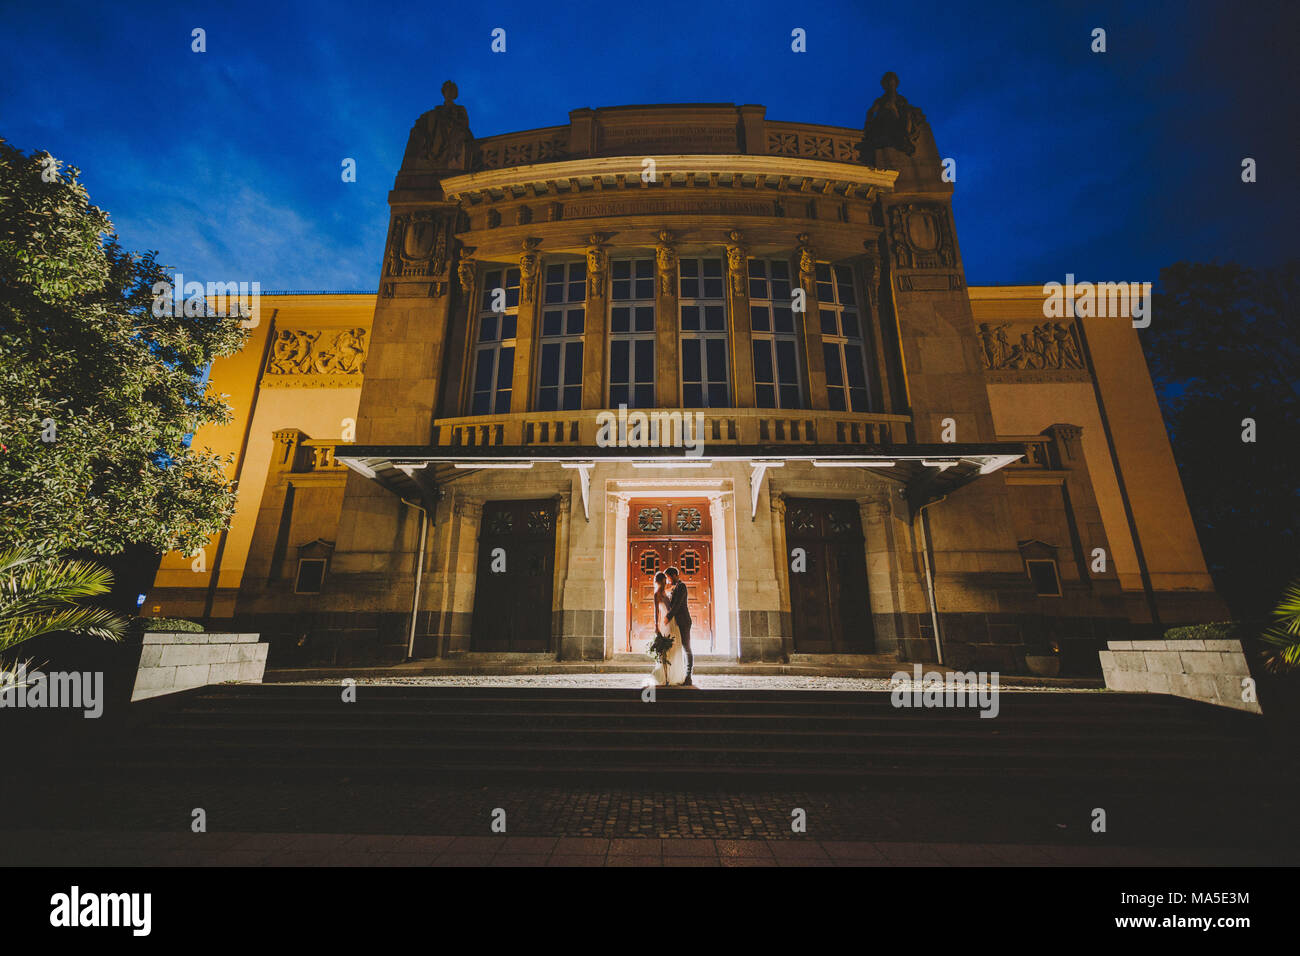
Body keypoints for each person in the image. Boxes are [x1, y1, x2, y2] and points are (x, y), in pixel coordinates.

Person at [651, 572, 687, 686]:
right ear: (660, 581)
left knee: (674, 648)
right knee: (666, 649)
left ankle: (672, 676)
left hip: (672, 622)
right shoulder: (657, 594)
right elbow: (656, 611)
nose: (666, 582)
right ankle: (665, 675)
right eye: (664, 580)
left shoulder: (666, 593)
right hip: (666, 622)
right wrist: (656, 625)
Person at [664, 567, 695, 687]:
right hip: (676, 622)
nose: (668, 580)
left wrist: (668, 617)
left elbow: (677, 605)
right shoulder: (673, 587)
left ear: (674, 575)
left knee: (686, 647)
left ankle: (688, 676)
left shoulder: (682, 586)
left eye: (668, 577)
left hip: (684, 621)